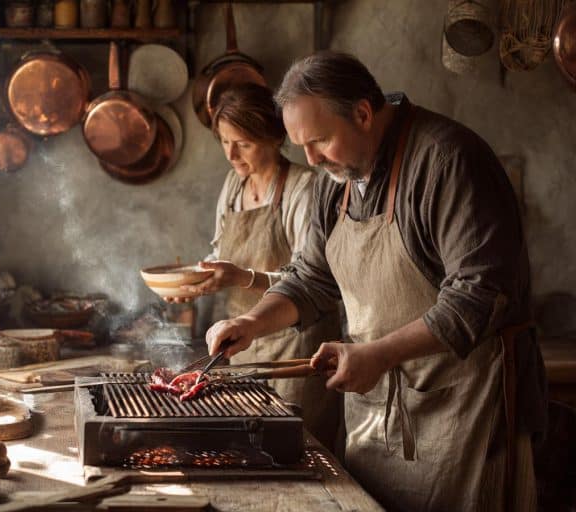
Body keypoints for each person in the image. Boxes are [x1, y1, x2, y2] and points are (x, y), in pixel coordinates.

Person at [205, 52, 547, 512]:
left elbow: (479, 297)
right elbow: (310, 278)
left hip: (467, 410)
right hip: (378, 412)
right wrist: (251, 322)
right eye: (301, 145)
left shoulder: (447, 162)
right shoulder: (335, 177)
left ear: (363, 113)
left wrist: (378, 354)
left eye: (320, 140)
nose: (310, 159)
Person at [167, 84, 341, 448]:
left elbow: (314, 280)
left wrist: (243, 277)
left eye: (243, 143)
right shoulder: (234, 184)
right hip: (242, 343)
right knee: (249, 446)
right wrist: (197, 284)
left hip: (296, 345)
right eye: (224, 142)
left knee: (297, 445)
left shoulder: (303, 188)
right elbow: (219, 255)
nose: (231, 154)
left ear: (274, 137)